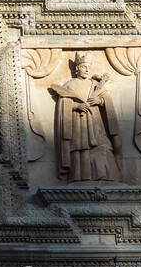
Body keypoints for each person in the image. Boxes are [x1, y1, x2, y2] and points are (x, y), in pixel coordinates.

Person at [50, 53, 122, 182]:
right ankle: (80, 177)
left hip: (96, 123)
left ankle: (104, 176)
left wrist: (99, 101)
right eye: (84, 66)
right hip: (79, 124)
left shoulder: (95, 84)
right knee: (80, 148)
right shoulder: (69, 85)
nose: (87, 69)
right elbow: (63, 103)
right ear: (77, 68)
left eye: (89, 67)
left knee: (102, 146)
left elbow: (106, 98)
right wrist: (76, 105)